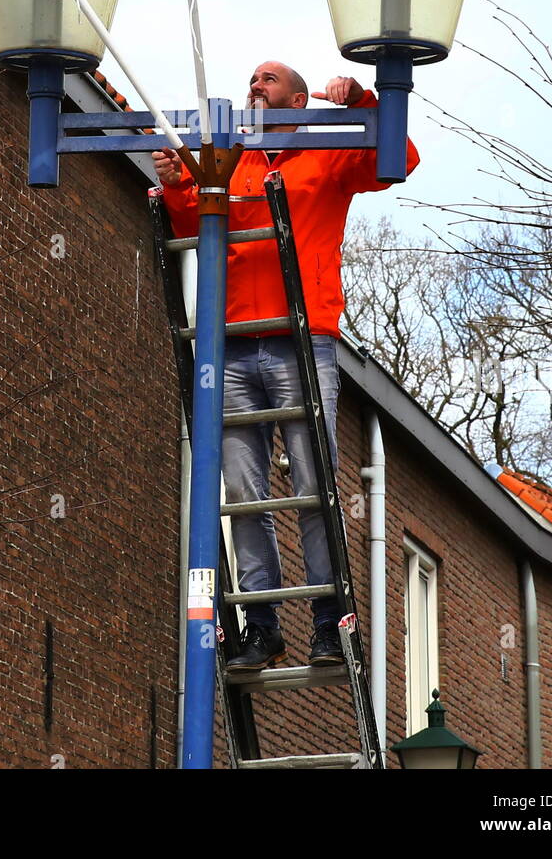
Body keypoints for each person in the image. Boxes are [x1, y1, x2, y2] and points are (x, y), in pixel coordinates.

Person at [152, 61, 419, 670]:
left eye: (268, 79)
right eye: (251, 78)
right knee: (244, 492)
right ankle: (262, 625)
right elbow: (195, 220)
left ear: (299, 100)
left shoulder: (327, 152)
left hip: (305, 341)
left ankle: (329, 622)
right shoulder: (231, 163)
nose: (255, 85)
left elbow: (398, 157)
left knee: (311, 481)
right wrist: (173, 183)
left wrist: (362, 103)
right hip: (236, 344)